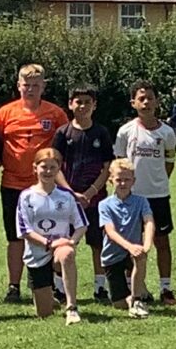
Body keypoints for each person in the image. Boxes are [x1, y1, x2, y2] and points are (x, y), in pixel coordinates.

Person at [0, 64, 68, 303]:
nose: (30, 89)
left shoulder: (55, 114)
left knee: (49, 233)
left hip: (45, 188)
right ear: (18, 86)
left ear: (43, 86)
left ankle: (53, 286)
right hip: (12, 184)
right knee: (15, 237)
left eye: (36, 85)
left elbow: (63, 149)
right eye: (26, 85)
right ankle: (13, 287)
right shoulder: (5, 113)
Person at [113, 80, 176, 299]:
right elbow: (120, 164)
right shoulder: (125, 131)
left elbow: (169, 163)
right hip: (132, 197)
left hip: (158, 195)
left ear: (157, 101)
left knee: (162, 241)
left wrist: (157, 182)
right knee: (133, 243)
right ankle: (135, 288)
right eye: (141, 99)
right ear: (133, 103)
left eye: (150, 98)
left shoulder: (167, 133)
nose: (146, 102)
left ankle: (165, 288)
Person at [13, 147, 87, 323]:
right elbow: (25, 231)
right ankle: (49, 298)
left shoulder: (66, 196)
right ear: (35, 168)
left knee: (67, 254)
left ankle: (71, 308)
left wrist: (71, 242)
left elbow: (82, 224)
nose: (48, 171)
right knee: (44, 313)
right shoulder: (26, 196)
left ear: (59, 169)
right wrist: (49, 243)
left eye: (52, 167)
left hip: (60, 250)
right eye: (44, 167)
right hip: (36, 255)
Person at [54, 86, 113, 276]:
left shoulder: (101, 132)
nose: (83, 106)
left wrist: (90, 193)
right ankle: (60, 285)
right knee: (65, 242)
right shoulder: (63, 133)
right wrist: (71, 193)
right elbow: (55, 166)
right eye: (78, 102)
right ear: (70, 104)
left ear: (94, 105)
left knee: (98, 243)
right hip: (67, 199)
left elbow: (107, 167)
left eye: (88, 102)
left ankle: (100, 285)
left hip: (95, 199)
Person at [96, 159, 156, 318]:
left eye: (127, 179)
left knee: (140, 257)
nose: (123, 183)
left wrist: (146, 245)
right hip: (112, 255)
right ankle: (136, 292)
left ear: (133, 181)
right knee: (119, 304)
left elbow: (149, 221)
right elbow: (110, 231)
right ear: (110, 181)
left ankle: (137, 299)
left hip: (133, 252)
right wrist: (129, 246)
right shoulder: (104, 205)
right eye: (118, 180)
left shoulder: (141, 201)